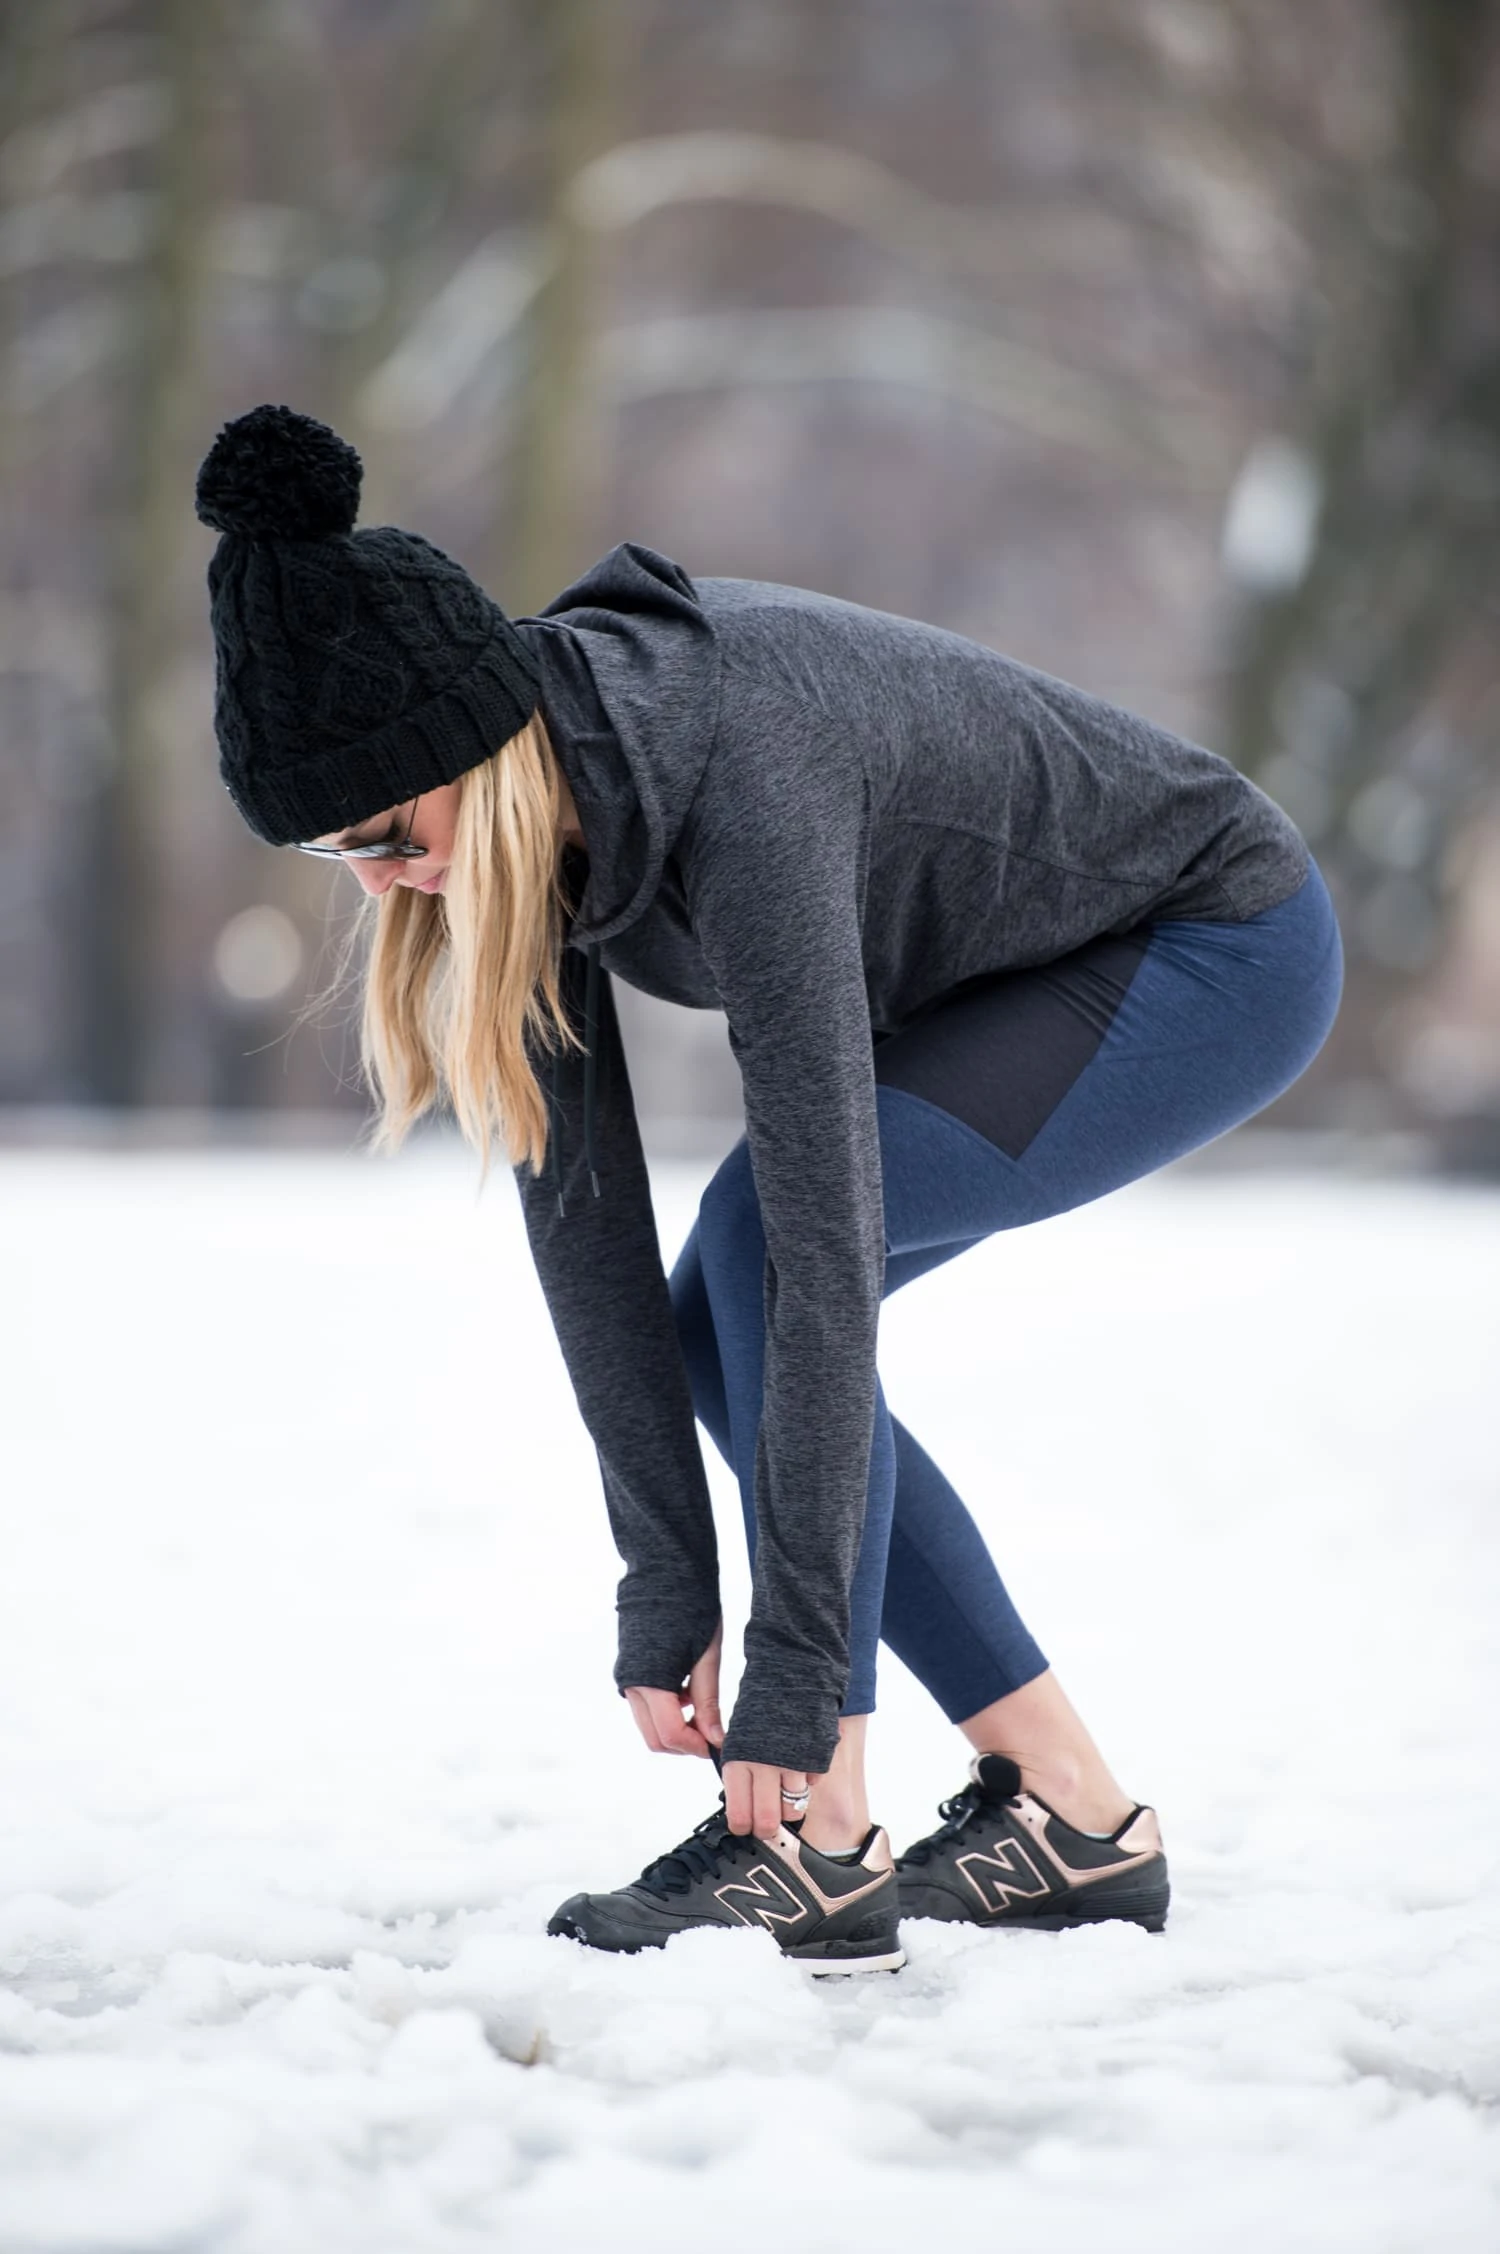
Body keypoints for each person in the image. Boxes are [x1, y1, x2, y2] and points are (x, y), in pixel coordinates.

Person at [195, 402, 1342, 1981]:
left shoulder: (747, 757)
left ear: (477, 750)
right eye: (343, 858)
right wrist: (665, 1588)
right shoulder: (532, 810)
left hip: (1215, 947)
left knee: (760, 1252)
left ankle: (818, 1833)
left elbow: (817, 1238)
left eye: (391, 834)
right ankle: (1074, 1814)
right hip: (1013, 974)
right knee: (716, 1316)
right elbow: (580, 1209)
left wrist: (798, 1688)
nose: (388, 883)